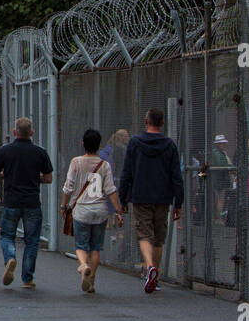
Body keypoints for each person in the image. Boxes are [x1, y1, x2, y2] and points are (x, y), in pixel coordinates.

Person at [118, 108, 184, 294]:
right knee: (159, 237)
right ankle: (155, 274)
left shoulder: (135, 143)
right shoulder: (169, 145)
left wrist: (123, 198)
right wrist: (178, 202)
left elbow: (127, 172)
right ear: (162, 123)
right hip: (163, 197)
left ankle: (149, 267)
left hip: (140, 195)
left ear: (146, 121)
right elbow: (176, 176)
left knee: (144, 234)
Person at [0, 116, 54, 290]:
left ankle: (10, 258)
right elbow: (48, 178)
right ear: (31, 133)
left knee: (7, 235)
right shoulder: (40, 152)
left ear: (14, 132)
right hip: (32, 201)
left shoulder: (5, 151)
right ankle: (27, 278)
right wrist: (35, 178)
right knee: (32, 240)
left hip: (11, 200)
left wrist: (5, 175)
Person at [61, 129, 124, 293]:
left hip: (82, 210)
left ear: (83, 143)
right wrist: (118, 210)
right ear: (98, 145)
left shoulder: (76, 162)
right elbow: (110, 189)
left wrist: (64, 206)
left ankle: (83, 265)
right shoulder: (104, 165)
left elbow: (68, 187)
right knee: (96, 247)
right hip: (100, 210)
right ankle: (91, 281)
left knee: (81, 245)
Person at [208, 133, 233, 220]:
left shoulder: (218, 152)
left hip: (219, 179)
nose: (224, 145)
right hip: (219, 180)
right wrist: (230, 167)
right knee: (220, 200)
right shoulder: (217, 153)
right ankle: (219, 218)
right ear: (218, 144)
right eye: (222, 143)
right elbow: (221, 164)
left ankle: (218, 217)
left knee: (220, 199)